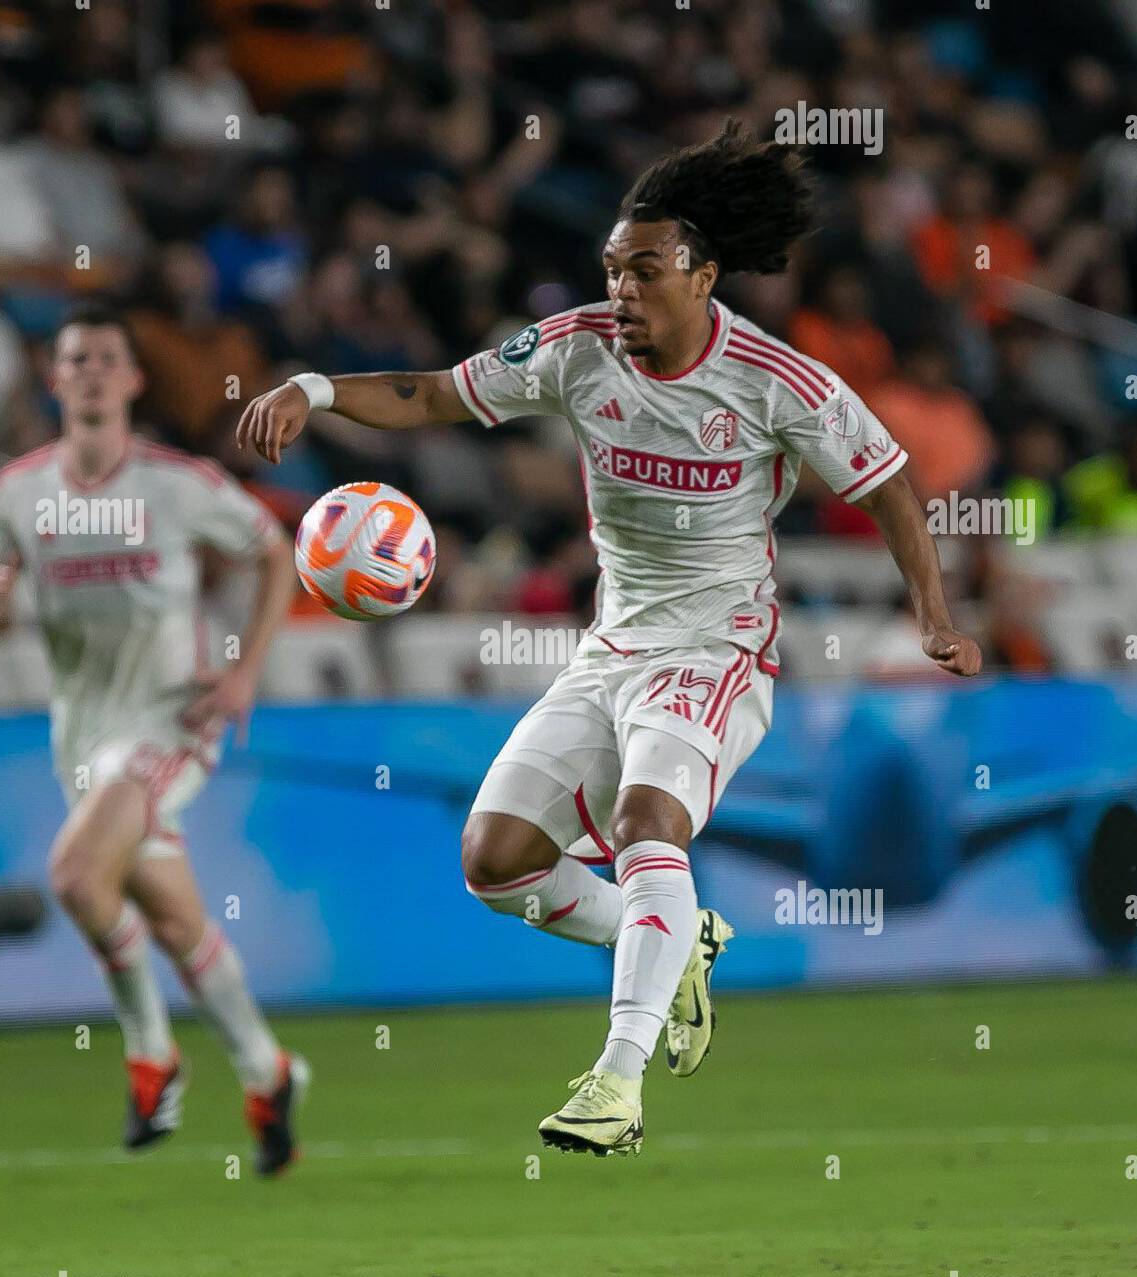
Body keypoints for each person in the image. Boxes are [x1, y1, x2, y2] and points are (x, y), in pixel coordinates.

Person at [237, 120, 982, 1157]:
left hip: (717, 653)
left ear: (703, 273)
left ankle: (615, 1080)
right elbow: (431, 394)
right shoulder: (573, 350)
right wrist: (313, 388)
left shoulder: (776, 382)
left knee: (645, 822)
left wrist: (932, 616)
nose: (621, 288)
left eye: (643, 269)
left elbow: (889, 483)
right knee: (494, 864)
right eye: (611, 268)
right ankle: (679, 941)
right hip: (610, 650)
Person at [0, 304, 307, 1175]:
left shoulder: (176, 483)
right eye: (75, 359)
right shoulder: (17, 491)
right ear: (54, 377)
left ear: (134, 379)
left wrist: (243, 671)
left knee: (76, 874)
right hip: (82, 731)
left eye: (108, 359)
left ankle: (151, 1053)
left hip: (170, 720)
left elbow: (275, 550)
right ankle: (269, 1072)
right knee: (176, 921)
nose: (91, 372)